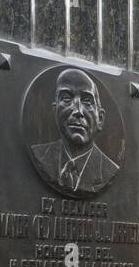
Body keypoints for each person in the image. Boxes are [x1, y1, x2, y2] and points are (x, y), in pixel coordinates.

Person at [32, 67, 119, 195]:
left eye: (87, 101)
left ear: (100, 119)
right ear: (55, 111)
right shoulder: (39, 155)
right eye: (67, 98)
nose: (77, 110)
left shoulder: (109, 169)